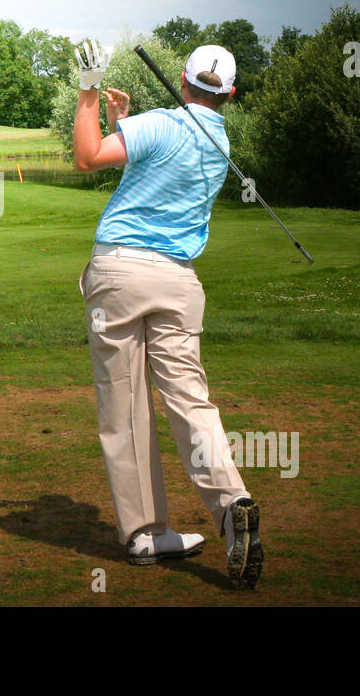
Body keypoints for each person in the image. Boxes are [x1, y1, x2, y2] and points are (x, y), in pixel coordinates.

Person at [71, 39, 262, 588]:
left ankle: (145, 533)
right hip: (177, 282)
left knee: (124, 403)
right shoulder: (219, 141)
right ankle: (233, 505)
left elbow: (87, 158)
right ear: (230, 93)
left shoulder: (161, 123)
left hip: (120, 275)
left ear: (181, 78)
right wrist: (123, 122)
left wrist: (88, 88)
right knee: (189, 399)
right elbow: (148, 164)